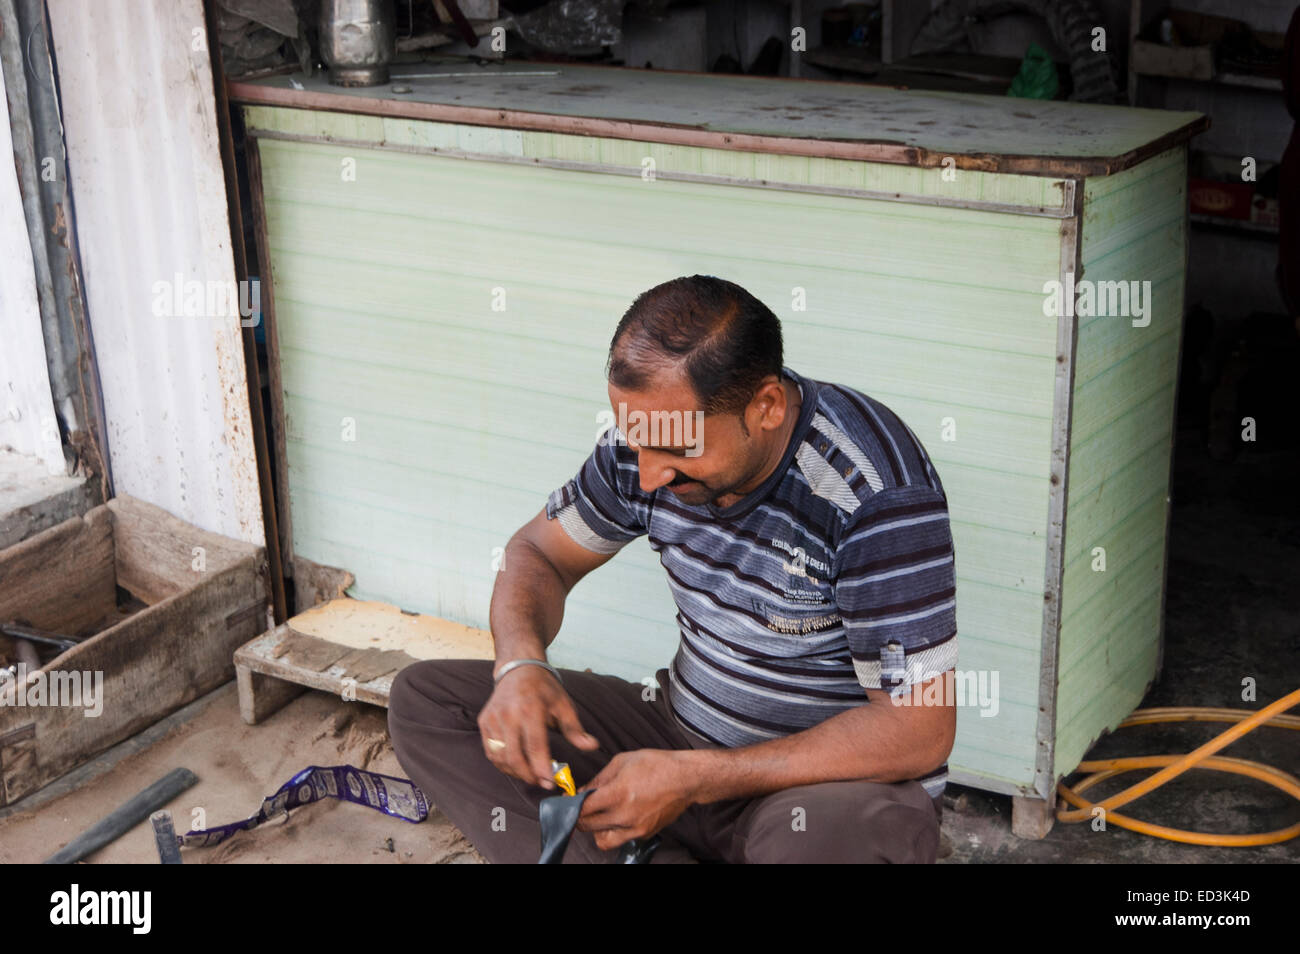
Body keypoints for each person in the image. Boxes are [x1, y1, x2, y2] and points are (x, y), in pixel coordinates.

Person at [388, 275, 958, 863]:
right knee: (431, 704)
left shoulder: (871, 490)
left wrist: (696, 777)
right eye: (637, 441)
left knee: (833, 846)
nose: (651, 473)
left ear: (765, 407)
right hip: (679, 736)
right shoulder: (644, 445)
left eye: (677, 447)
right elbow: (537, 553)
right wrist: (519, 662)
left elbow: (919, 731)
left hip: (819, 794)